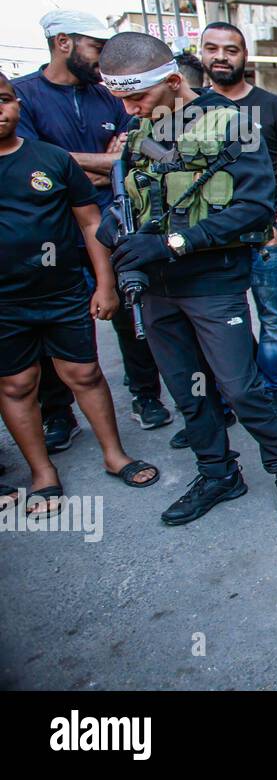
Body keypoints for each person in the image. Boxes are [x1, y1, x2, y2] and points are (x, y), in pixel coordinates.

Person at [97, 32, 277, 528]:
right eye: (122, 99)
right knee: (188, 392)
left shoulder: (233, 124)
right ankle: (218, 474)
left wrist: (175, 243)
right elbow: (129, 196)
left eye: (139, 97)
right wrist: (115, 228)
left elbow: (255, 206)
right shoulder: (139, 131)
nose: (130, 109)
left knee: (242, 390)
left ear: (174, 82)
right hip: (155, 287)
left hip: (212, 283)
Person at [0, 72, 158, 517]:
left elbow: (90, 223)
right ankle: (43, 474)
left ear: (17, 104)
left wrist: (105, 284)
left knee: (84, 373)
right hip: (5, 303)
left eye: (4, 99)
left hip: (62, 290)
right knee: (17, 384)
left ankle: (115, 455)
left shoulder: (51, 159)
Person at [13, 9, 171, 454]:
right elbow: (29, 161)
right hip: (50, 231)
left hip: (111, 221)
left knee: (129, 306)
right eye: (96, 47)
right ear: (63, 42)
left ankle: (145, 394)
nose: (104, 58)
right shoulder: (21, 95)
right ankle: (57, 412)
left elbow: (132, 156)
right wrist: (94, 165)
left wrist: (65, 162)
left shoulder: (109, 96)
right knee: (50, 323)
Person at [198, 22, 277, 431]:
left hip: (264, 235)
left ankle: (276, 393)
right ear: (201, 54)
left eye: (231, 49)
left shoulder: (272, 106)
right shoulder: (190, 108)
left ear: (245, 56)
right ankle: (233, 395)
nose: (221, 56)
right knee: (220, 322)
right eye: (212, 48)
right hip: (210, 239)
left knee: (273, 316)